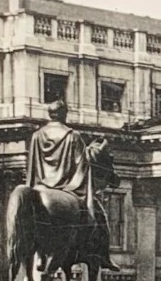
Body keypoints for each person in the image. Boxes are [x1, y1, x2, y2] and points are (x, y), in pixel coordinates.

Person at [28, 99, 113, 262]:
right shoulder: (73, 135)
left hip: (40, 185)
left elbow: (33, 165)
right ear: (63, 114)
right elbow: (82, 164)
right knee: (97, 215)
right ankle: (102, 256)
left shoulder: (36, 136)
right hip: (68, 187)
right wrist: (92, 152)